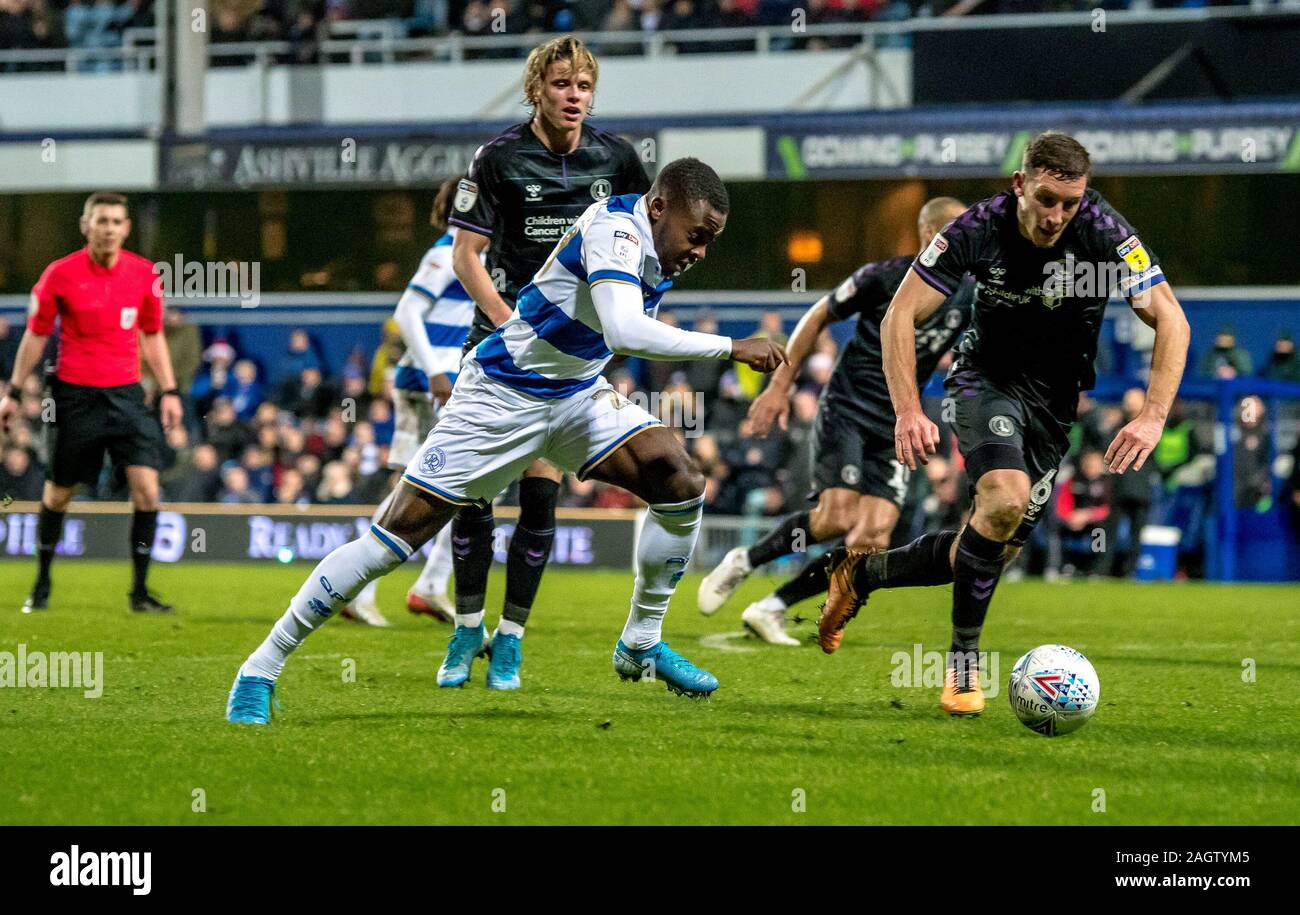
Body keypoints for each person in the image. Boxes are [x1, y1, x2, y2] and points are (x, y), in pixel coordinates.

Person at [225, 158, 786, 724]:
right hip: (499, 397)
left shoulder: (658, 248)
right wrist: (731, 346)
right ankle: (259, 669)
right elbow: (623, 330)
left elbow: (607, 334)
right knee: (388, 544)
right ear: (659, 208)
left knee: (678, 476)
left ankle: (640, 641)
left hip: (572, 396)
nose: (701, 252)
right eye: (697, 236)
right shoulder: (614, 230)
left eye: (711, 241)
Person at [820, 132, 1191, 717]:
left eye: (1070, 203)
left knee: (994, 544)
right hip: (984, 380)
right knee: (1003, 500)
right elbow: (899, 316)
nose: (1057, 216)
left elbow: (1170, 317)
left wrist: (1152, 416)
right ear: (1020, 184)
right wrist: (910, 409)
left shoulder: (1104, 230)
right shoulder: (974, 229)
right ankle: (963, 669)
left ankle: (863, 574)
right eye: (1047, 199)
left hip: (1055, 401)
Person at [444, 35, 651, 689]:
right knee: (472, 497)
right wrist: (511, 327)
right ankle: (465, 628)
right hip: (497, 343)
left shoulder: (617, 159)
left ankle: (510, 641)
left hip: (570, 356)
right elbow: (465, 259)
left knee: (539, 497)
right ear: (537, 89)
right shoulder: (499, 157)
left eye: (584, 87)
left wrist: (621, 324)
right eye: (561, 85)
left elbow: (641, 252)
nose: (574, 97)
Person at [696, 197, 971, 645]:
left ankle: (773, 606)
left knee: (874, 535)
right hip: (848, 407)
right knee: (834, 518)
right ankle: (745, 560)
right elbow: (819, 313)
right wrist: (780, 387)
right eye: (960, 233)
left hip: (898, 419)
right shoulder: (884, 277)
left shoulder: (968, 296)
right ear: (931, 235)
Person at [0, 191, 184, 614]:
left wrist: (170, 390)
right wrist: (12, 391)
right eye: (101, 221)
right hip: (74, 397)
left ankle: (139, 593)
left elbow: (152, 334)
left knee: (147, 492)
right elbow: (36, 333)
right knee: (59, 494)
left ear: (126, 229)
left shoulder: (144, 275)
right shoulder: (59, 275)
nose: (108, 229)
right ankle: (42, 583)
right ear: (86, 226)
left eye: (116, 221)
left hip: (126, 397)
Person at [344, 178, 479, 627]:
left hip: (430, 378)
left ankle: (384, 587)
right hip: (433, 381)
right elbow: (406, 313)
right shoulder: (446, 253)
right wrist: (437, 373)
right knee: (470, 482)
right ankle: (410, 584)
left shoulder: (469, 255)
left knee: (432, 485)